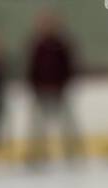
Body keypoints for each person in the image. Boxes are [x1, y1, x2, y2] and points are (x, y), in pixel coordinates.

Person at [26, 8, 81, 164]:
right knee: (37, 127)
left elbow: (69, 66)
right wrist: (35, 87)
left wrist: (63, 85)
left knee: (68, 125)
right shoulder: (36, 45)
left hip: (60, 91)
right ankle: (38, 155)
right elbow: (32, 69)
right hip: (40, 91)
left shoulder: (62, 44)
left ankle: (73, 153)